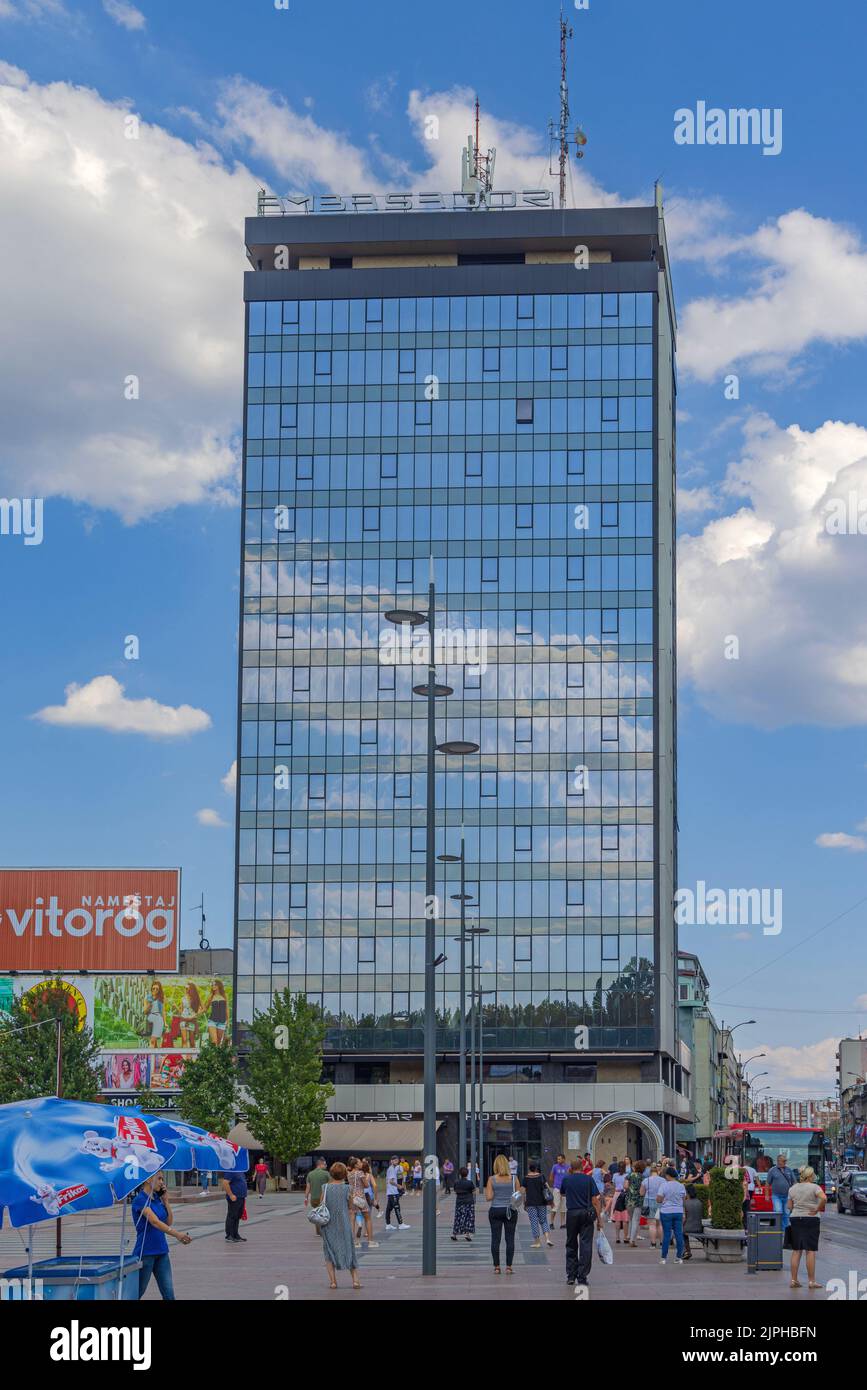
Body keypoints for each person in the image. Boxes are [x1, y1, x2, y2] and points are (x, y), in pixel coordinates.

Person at [131, 1174, 191, 1300]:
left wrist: (166, 1201)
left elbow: (168, 1222)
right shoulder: (140, 1200)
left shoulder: (157, 1199)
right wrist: (177, 1235)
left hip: (162, 1252)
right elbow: (155, 1222)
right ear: (148, 1179)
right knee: (137, 1292)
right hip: (145, 1252)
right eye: (159, 1179)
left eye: (163, 1179)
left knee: (169, 1293)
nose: (162, 1182)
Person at [561, 1158, 603, 1288]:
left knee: (571, 1243)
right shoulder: (588, 1179)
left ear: (571, 1168)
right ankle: (582, 1276)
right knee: (586, 1244)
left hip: (572, 1213)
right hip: (586, 1214)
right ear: (582, 1167)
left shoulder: (567, 1179)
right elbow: (595, 1200)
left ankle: (571, 1276)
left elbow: (562, 1193)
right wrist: (599, 1220)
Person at [321, 1162, 361, 1290]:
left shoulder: (325, 1187)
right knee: (349, 1249)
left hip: (328, 1223)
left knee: (329, 1251)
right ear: (344, 1174)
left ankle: (333, 1282)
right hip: (344, 1222)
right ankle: (355, 1280)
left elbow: (322, 1204)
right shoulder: (347, 1189)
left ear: (331, 1174)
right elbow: (350, 1206)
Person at [786, 1165, 826, 1289]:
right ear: (810, 1176)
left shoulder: (792, 1188)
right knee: (810, 1250)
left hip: (796, 1218)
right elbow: (824, 1198)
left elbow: (789, 1206)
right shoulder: (815, 1187)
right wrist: (817, 1208)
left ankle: (793, 1280)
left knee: (796, 1250)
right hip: (811, 1219)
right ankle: (811, 1281)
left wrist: (797, 1210)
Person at [485, 1153, 523, 1274]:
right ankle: (509, 1267)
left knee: (495, 1239)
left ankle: (496, 1267)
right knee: (510, 1239)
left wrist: (497, 1193)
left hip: (495, 1210)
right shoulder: (514, 1178)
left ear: (495, 1165)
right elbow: (518, 1196)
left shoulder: (491, 1179)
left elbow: (488, 1197)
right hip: (510, 1211)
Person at [656, 1165, 686, 1265]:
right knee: (679, 1234)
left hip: (666, 1212)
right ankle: (678, 1257)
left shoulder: (664, 1186)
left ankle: (663, 1258)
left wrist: (665, 1199)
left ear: (668, 1175)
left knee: (667, 1235)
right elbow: (683, 1200)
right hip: (678, 1212)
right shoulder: (681, 1186)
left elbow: (659, 1199)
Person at [523, 1161, 553, 1248]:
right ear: (536, 1168)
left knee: (534, 1221)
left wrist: (524, 1203)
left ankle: (537, 1242)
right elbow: (547, 1188)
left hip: (530, 1203)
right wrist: (551, 1201)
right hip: (541, 1202)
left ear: (529, 1168)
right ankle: (547, 1238)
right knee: (543, 1220)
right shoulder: (541, 1176)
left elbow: (523, 1192)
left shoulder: (526, 1178)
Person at [767, 1153, 797, 1233]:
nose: (783, 1162)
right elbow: (767, 1183)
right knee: (778, 1211)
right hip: (776, 1195)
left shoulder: (789, 1170)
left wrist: (795, 1193)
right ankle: (776, 1230)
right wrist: (767, 1195)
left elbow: (794, 1182)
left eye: (784, 1161)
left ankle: (785, 1232)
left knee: (786, 1214)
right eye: (782, 1161)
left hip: (787, 1196)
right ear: (778, 1161)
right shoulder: (772, 1170)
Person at [220, 1166, 248, 1243]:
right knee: (232, 1216)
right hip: (234, 1197)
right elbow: (225, 1183)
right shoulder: (231, 1170)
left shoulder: (241, 1170)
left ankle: (235, 1235)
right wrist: (231, 1195)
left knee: (237, 1216)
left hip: (241, 1197)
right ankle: (229, 1235)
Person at [641, 1161, 664, 1248]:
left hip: (649, 1203)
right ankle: (662, 1243)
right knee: (660, 1224)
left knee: (652, 1224)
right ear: (657, 1172)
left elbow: (641, 1193)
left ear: (650, 1173)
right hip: (660, 1202)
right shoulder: (663, 1180)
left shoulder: (646, 1180)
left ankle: (653, 1244)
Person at [384, 1154, 410, 1231]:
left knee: (389, 1208)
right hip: (393, 1192)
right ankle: (401, 1224)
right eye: (394, 1160)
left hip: (390, 1192)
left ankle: (388, 1224)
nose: (396, 1161)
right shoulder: (391, 1169)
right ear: (391, 1161)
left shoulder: (391, 1168)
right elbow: (391, 1181)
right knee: (397, 1208)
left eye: (397, 1160)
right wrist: (399, 1186)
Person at [451, 1166, 476, 1241]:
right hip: (469, 1202)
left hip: (459, 1202)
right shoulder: (469, 1183)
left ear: (460, 1174)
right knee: (468, 1218)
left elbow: (455, 1191)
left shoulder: (456, 1182)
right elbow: (474, 1191)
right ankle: (467, 1234)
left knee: (458, 1218)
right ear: (467, 1174)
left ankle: (454, 1234)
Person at [625, 1159, 646, 1246]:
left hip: (629, 1200)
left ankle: (629, 1236)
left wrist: (631, 1189)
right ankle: (632, 1240)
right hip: (638, 1200)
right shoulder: (643, 1177)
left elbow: (625, 1186)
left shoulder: (629, 1175)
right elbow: (642, 1191)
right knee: (636, 1220)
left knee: (630, 1219)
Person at [682, 1183, 704, 1260]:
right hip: (699, 1227)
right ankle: (687, 1251)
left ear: (687, 1192)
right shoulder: (699, 1202)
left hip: (688, 1228)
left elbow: (684, 1219)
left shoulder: (685, 1203)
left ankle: (686, 1251)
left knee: (680, 1232)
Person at [548, 1153, 570, 1231]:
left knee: (563, 1207)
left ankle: (562, 1224)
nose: (558, 1160)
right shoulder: (555, 1166)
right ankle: (551, 1223)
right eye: (557, 1159)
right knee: (555, 1206)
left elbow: (570, 1176)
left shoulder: (568, 1167)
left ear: (564, 1159)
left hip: (565, 1190)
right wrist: (555, 1184)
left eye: (560, 1159)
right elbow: (551, 1177)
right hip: (557, 1189)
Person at [610, 1161, 630, 1244]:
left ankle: (617, 1237)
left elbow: (613, 1185)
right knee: (625, 1219)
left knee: (617, 1218)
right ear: (625, 1167)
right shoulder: (627, 1175)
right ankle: (625, 1237)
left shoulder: (615, 1175)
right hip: (625, 1194)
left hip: (617, 1194)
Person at [305, 1157, 329, 1221]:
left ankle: (318, 1229)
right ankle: (322, 1230)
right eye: (325, 1164)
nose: (326, 1166)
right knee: (324, 1215)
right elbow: (330, 1185)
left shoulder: (310, 1174)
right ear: (320, 1164)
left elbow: (308, 1187)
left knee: (317, 1215)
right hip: (324, 1199)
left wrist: (306, 1198)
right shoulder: (326, 1174)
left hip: (313, 1199)